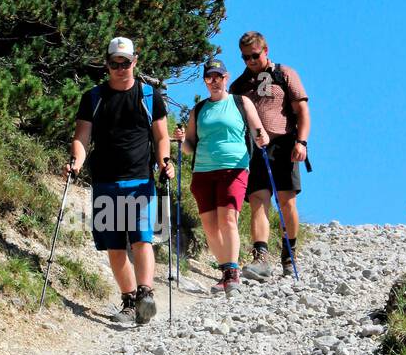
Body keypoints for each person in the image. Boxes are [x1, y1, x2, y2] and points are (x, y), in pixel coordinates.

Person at [67, 37, 174, 325]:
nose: (119, 68)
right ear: (107, 64)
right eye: (114, 63)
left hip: (139, 180)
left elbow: (161, 136)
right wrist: (76, 161)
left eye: (124, 63)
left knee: (141, 239)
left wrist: (166, 162)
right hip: (104, 181)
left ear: (134, 62)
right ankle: (129, 301)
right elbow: (82, 136)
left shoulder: (150, 96)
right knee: (114, 247)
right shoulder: (93, 97)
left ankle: (145, 292)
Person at [173, 58, 268, 295]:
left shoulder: (241, 102)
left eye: (218, 76)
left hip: (234, 167)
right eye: (209, 77)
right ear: (205, 81)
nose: (214, 81)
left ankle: (233, 272)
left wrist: (261, 138)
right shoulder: (199, 109)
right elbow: (190, 146)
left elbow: (260, 132)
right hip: (203, 170)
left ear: (226, 78)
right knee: (209, 225)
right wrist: (181, 139)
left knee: (227, 219)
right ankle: (225, 271)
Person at [229, 32, 311, 279]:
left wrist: (302, 142)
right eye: (245, 57)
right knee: (258, 200)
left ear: (265, 50)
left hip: (284, 143)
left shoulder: (284, 74)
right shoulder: (239, 85)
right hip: (254, 148)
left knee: (286, 201)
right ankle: (261, 256)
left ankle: (289, 252)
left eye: (255, 55)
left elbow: (302, 110)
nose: (251, 61)